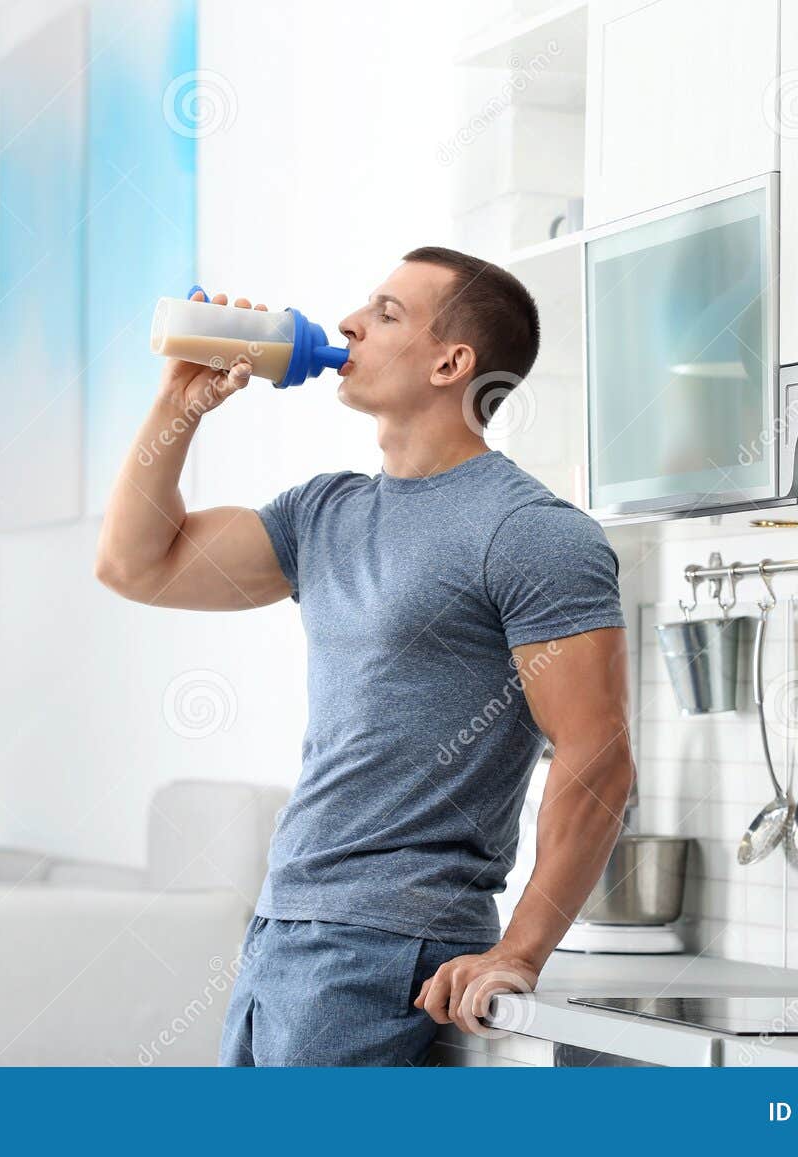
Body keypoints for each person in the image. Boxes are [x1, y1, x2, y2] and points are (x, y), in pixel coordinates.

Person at [95, 246, 634, 1065]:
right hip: (284, 927)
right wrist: (180, 406)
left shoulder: (532, 532)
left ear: (453, 362)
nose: (347, 323)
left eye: (386, 314)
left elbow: (597, 757)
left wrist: (518, 953)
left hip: (388, 947)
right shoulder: (326, 512)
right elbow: (136, 564)